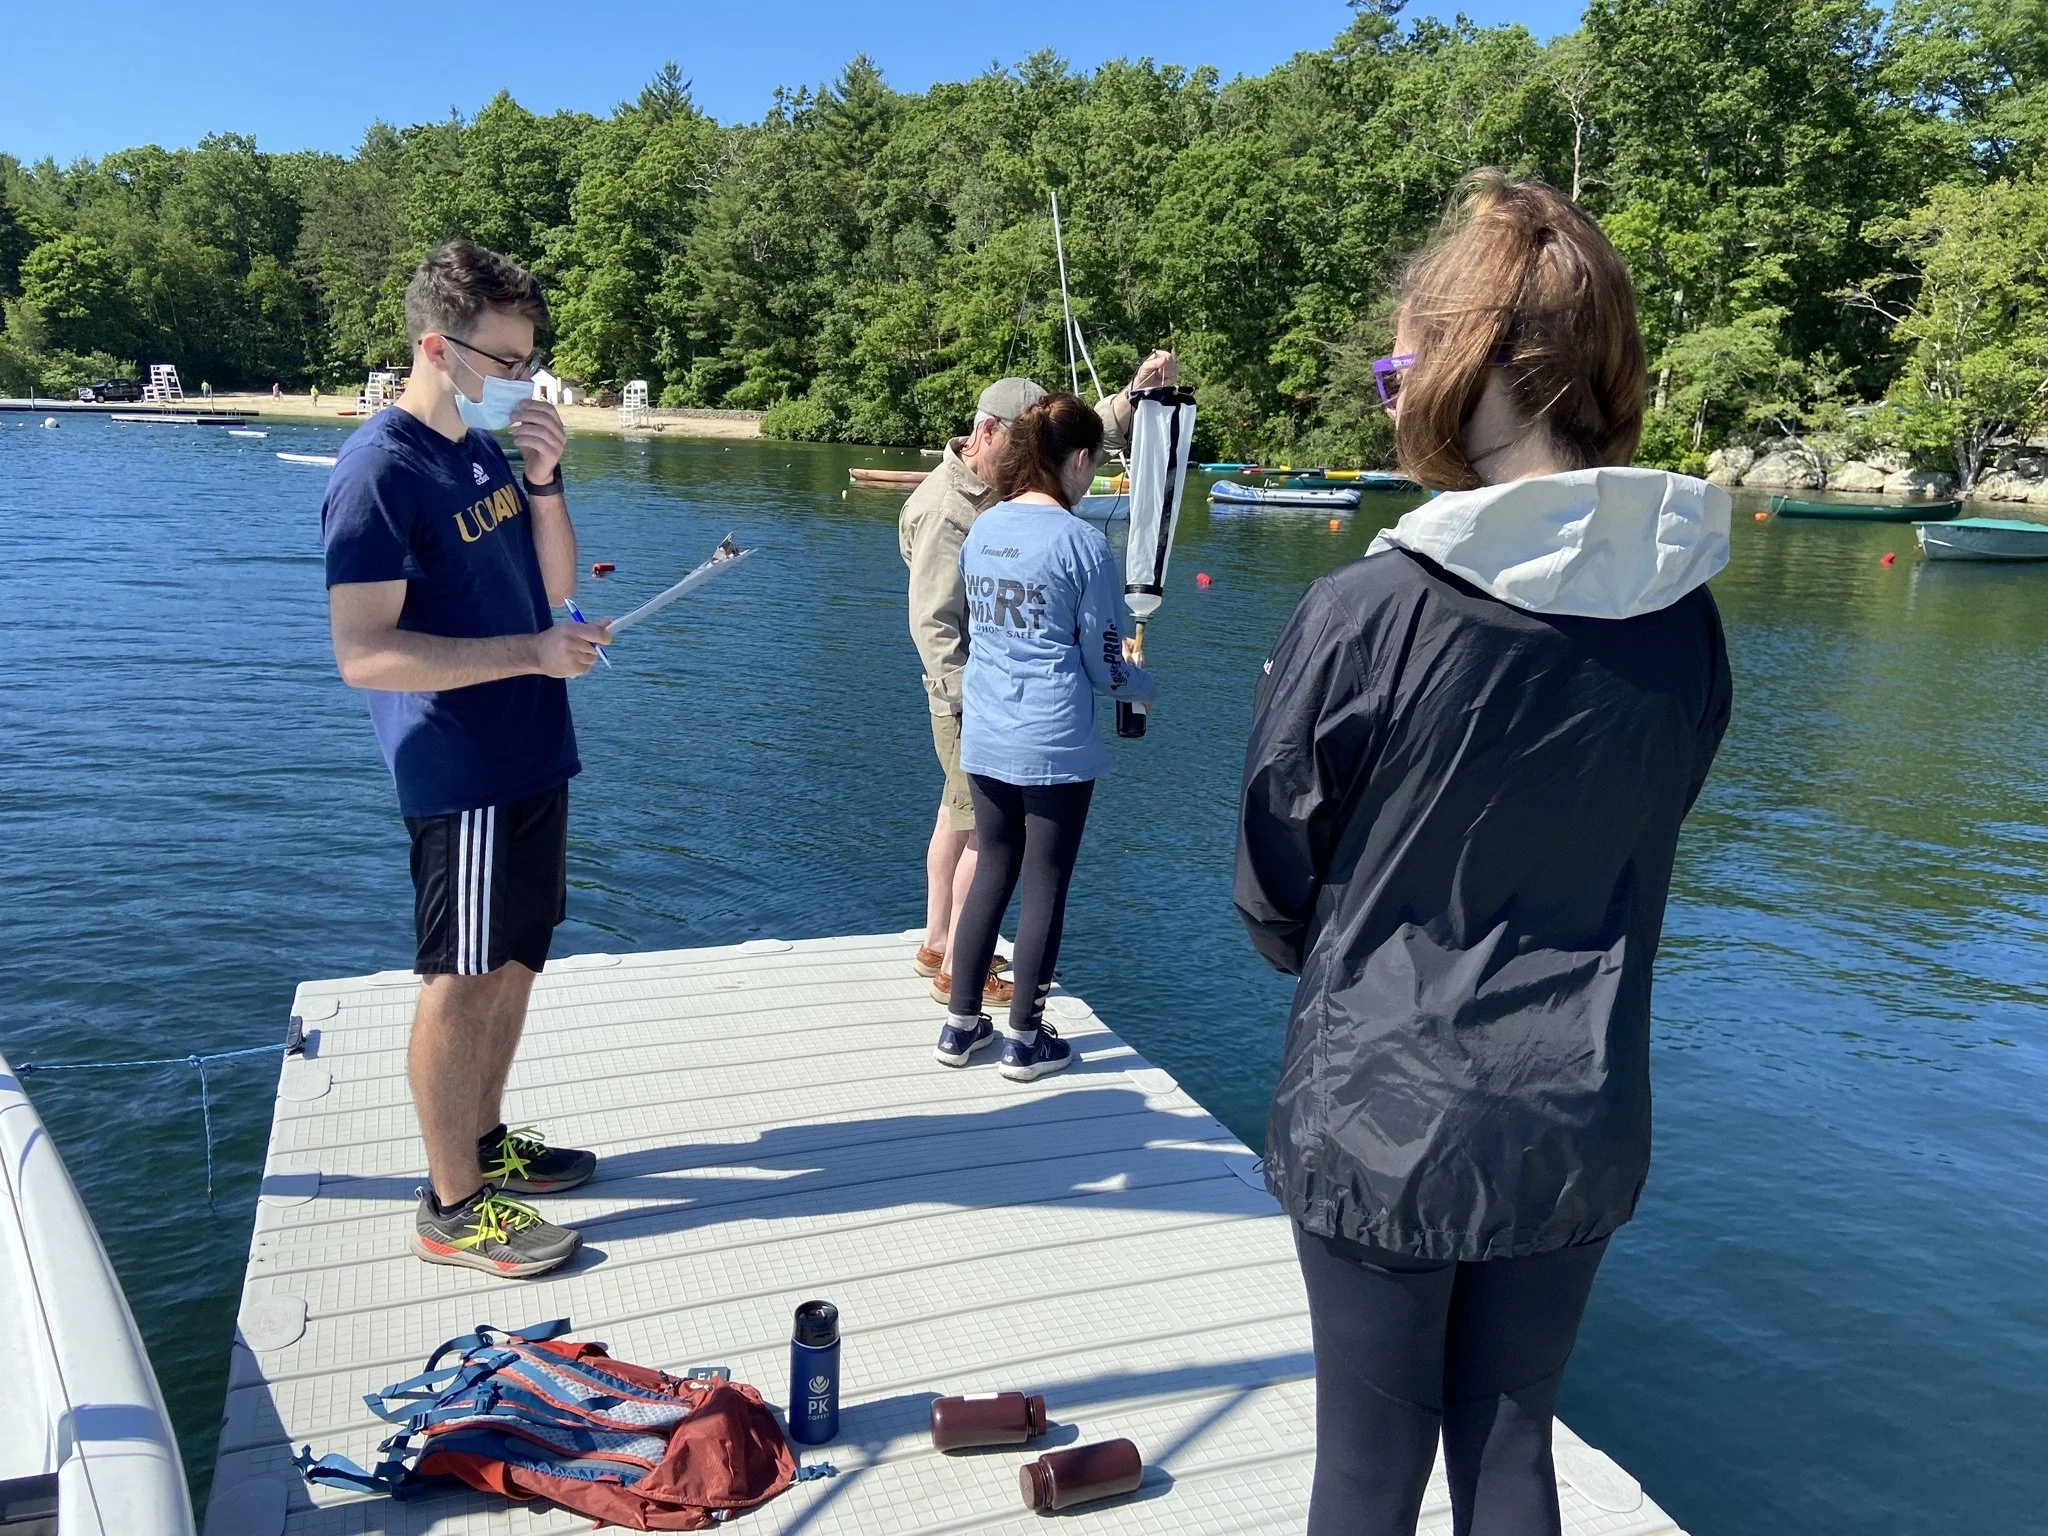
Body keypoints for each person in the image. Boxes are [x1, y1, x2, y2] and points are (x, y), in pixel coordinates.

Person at [1234, 170, 1733, 1536]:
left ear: (1474, 370)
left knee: (1366, 1470)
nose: (1389, 396)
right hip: (1578, 1105)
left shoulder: (1371, 610)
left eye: (1397, 368)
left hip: (1383, 1106)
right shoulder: (1686, 619)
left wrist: (1352, 941)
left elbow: (1274, 884)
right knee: (1513, 1450)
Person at [322, 240, 613, 1279]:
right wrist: (529, 653)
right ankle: (451, 1205)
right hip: (460, 767)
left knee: (516, 957)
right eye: (506, 361)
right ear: (438, 348)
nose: (522, 380)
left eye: (530, 361)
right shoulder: (379, 470)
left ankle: (485, 1144)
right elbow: (363, 654)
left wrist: (545, 479)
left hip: (533, 745)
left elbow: (554, 585)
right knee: (460, 977)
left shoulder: (485, 456)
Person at [899, 356, 1172, 1005]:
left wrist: (1131, 398)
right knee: (990, 845)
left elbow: (1068, 440)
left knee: (957, 819)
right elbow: (933, 622)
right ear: (988, 431)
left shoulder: (999, 498)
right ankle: (961, 974)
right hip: (976, 701)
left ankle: (939, 945)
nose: (1030, 450)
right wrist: (968, 702)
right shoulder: (947, 510)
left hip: (992, 702)